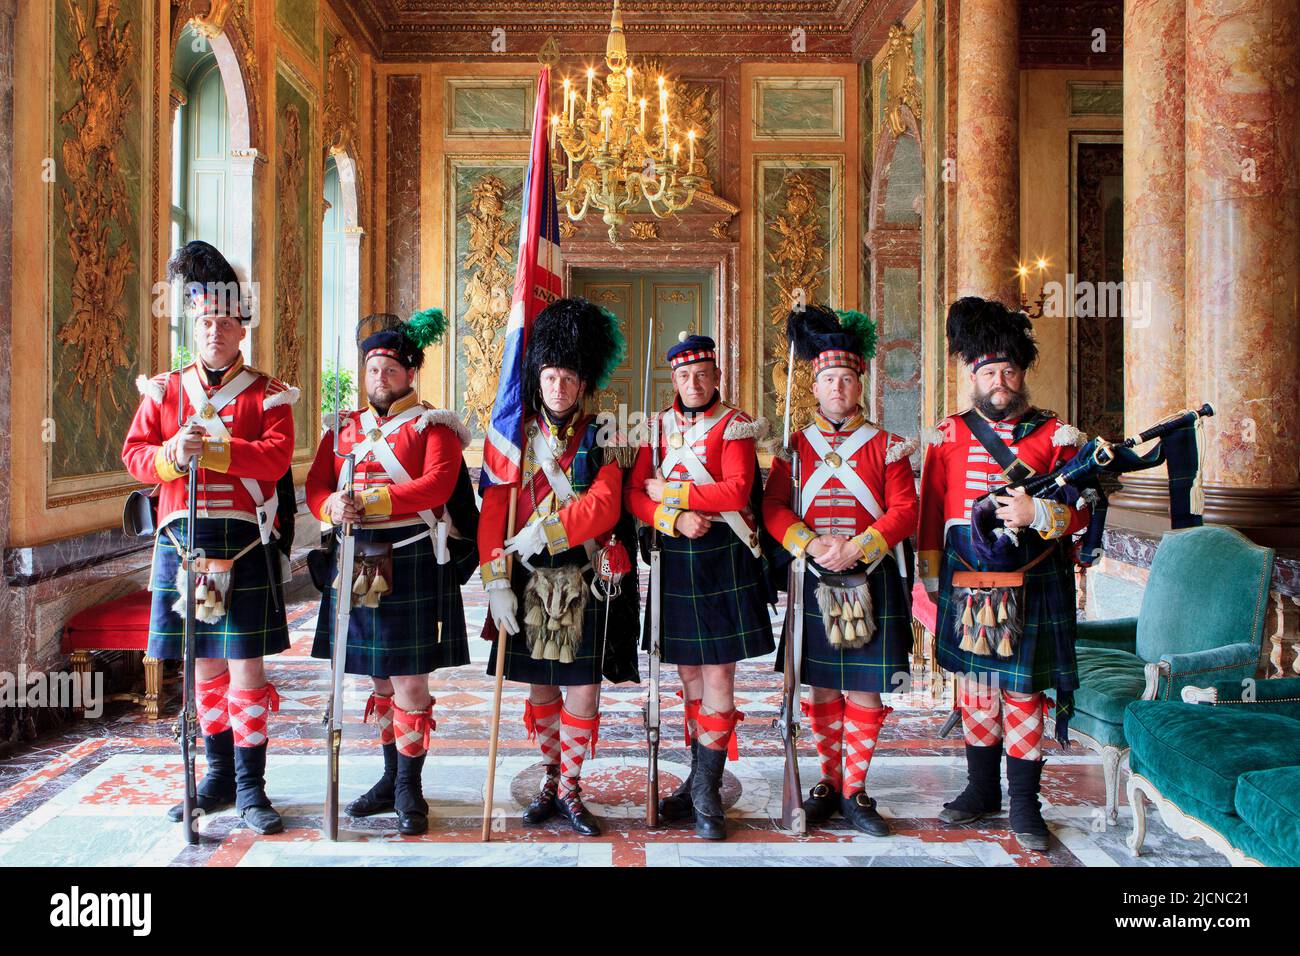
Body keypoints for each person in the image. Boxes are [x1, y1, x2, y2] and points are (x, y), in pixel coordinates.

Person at [122, 240, 296, 835]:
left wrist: (216, 450)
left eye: (224, 321)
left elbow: (274, 461)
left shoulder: (268, 393)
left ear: (241, 328)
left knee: (246, 668)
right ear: (193, 326)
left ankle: (251, 788)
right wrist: (170, 454)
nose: (214, 331)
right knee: (203, 670)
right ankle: (215, 779)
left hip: (242, 544)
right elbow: (134, 456)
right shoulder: (165, 391)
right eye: (204, 321)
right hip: (181, 545)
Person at [918, 296, 1090, 852]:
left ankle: (1023, 804)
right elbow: (930, 513)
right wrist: (927, 579)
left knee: (1023, 694)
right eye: (989, 371)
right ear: (975, 376)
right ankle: (980, 789)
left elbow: (1084, 510)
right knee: (977, 690)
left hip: (1034, 581)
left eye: (1008, 371)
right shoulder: (948, 436)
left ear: (1021, 375)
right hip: (968, 585)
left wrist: (1039, 513)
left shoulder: (1057, 436)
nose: (999, 381)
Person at [306, 310, 478, 836]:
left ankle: (410, 787)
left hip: (411, 560)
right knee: (377, 678)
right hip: (356, 563)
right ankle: (388, 777)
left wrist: (370, 500)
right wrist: (333, 506)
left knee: (408, 678)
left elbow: (435, 487)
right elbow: (316, 486)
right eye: (372, 370)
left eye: (390, 370)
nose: (379, 378)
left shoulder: (435, 426)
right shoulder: (342, 429)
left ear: (409, 374)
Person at [480, 297, 639, 837]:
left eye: (568, 378)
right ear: (538, 378)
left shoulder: (606, 434)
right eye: (550, 376)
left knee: (582, 688)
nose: (558, 387)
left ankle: (571, 787)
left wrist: (543, 532)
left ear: (583, 382)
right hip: (524, 575)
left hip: (584, 571)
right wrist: (495, 581)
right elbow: (493, 512)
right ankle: (552, 775)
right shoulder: (514, 434)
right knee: (540, 686)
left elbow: (605, 506)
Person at [762, 306, 918, 834]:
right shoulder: (794, 447)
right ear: (816, 386)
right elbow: (774, 508)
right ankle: (828, 782)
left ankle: (855, 789)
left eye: (847, 379)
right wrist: (809, 542)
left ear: (860, 385)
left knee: (866, 688)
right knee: (820, 687)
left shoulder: (888, 445)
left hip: (868, 578)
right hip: (813, 577)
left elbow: (905, 510)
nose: (838, 387)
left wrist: (859, 546)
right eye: (829, 379)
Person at [625, 332, 775, 841]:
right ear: (674, 379)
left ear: (716, 376)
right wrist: (671, 519)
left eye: (701, 375)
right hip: (675, 557)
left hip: (722, 558)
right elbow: (632, 496)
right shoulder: (655, 426)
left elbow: (737, 490)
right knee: (687, 674)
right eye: (684, 376)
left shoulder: (736, 425)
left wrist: (671, 492)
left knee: (718, 676)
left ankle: (708, 792)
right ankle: (697, 778)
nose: (693, 383)